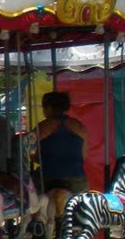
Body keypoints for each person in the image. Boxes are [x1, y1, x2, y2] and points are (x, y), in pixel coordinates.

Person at [35, 90, 89, 225]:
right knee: (86, 192)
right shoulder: (79, 126)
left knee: (27, 191)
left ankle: (34, 222)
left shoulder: (42, 127)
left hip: (48, 177)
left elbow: (31, 153)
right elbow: (84, 155)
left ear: (48, 108)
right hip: (76, 178)